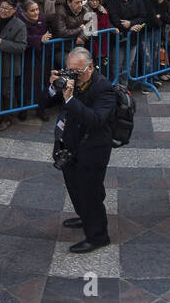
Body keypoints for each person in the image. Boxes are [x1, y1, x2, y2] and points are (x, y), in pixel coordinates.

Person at [50, 46, 127, 253]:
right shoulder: (72, 83)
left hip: (93, 147)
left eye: (77, 71)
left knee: (90, 192)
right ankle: (85, 217)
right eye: (69, 70)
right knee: (74, 186)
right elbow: (43, 102)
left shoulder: (104, 88)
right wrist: (53, 87)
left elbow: (96, 120)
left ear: (91, 67)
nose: (72, 75)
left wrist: (69, 99)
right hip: (70, 143)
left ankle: (98, 236)